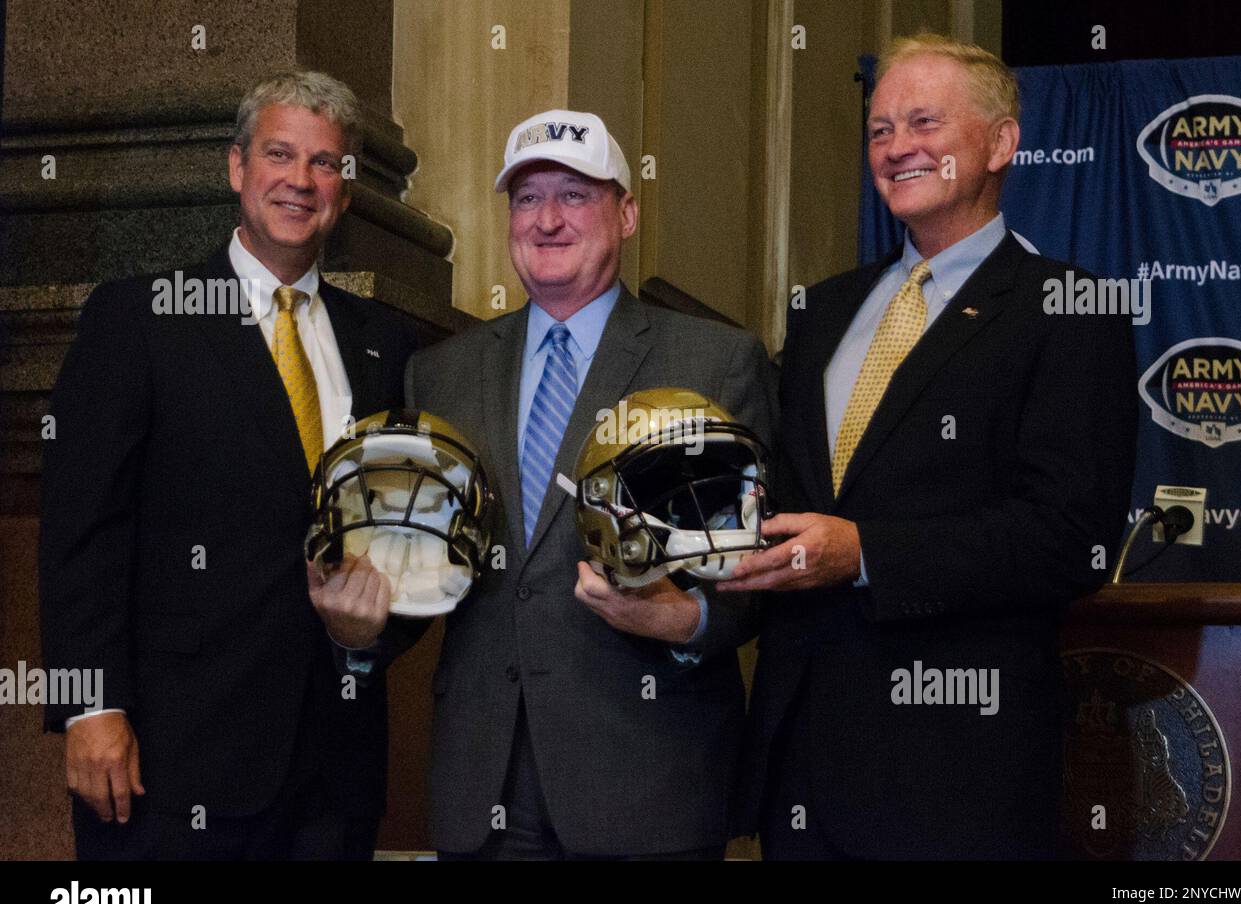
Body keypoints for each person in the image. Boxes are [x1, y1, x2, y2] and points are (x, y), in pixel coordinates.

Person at [720, 34, 1138, 859]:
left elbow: (1067, 538)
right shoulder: (822, 312)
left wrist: (865, 553)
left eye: (923, 122)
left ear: (1002, 142)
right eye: (880, 130)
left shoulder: (1072, 308)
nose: (898, 146)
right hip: (802, 768)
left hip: (958, 776)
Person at [40, 70, 423, 860]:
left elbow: (408, 540)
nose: (301, 180)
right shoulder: (138, 318)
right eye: (279, 153)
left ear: (345, 193)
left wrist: (365, 640)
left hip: (333, 769)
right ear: (236, 167)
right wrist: (88, 707)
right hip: (170, 764)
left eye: (325, 164)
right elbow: (81, 530)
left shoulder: (385, 343)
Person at [404, 109, 776, 859]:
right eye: (527, 197)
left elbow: (761, 567)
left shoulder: (715, 362)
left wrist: (689, 621)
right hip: (486, 792)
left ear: (627, 212)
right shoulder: (439, 371)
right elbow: (427, 566)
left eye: (574, 195)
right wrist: (361, 616)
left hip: (647, 784)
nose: (546, 219)